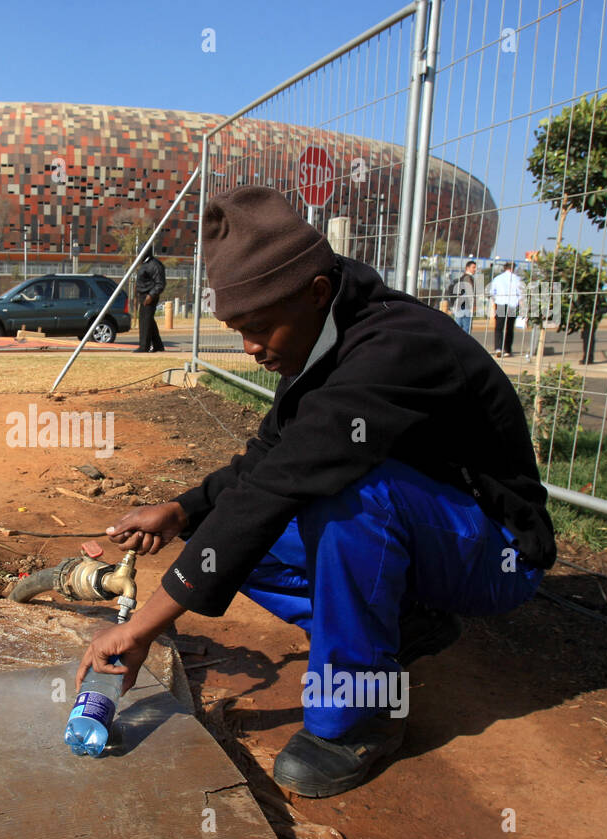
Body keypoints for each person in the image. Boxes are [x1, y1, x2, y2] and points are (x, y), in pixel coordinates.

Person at [75, 186, 555, 798]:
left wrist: (141, 627)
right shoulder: (317, 337)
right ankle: (405, 624)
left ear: (317, 293)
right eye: (235, 330)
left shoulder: (395, 347)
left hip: (496, 550)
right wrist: (183, 509)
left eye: (255, 328)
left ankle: (358, 716)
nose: (249, 349)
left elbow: (285, 481)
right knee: (225, 524)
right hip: (430, 536)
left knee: (348, 499)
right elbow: (270, 458)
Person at [133, 244, 166, 352]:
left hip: (149, 297)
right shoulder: (145, 264)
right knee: (148, 321)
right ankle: (158, 345)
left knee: (145, 322)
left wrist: (151, 295)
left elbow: (160, 284)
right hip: (142, 296)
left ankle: (144, 346)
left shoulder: (154, 265)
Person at [488, 262, 524, 357]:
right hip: (513, 304)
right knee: (510, 328)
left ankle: (498, 348)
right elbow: (520, 294)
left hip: (500, 303)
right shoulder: (517, 279)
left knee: (499, 327)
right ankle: (508, 349)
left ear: (504, 268)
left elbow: (492, 292)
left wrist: (496, 300)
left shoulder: (497, 278)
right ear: (513, 268)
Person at [447, 259, 478, 335]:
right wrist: (473, 304)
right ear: (467, 268)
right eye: (473, 267)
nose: (475, 269)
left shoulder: (461, 278)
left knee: (458, 328)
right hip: (465, 306)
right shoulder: (468, 278)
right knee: (466, 329)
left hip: (458, 305)